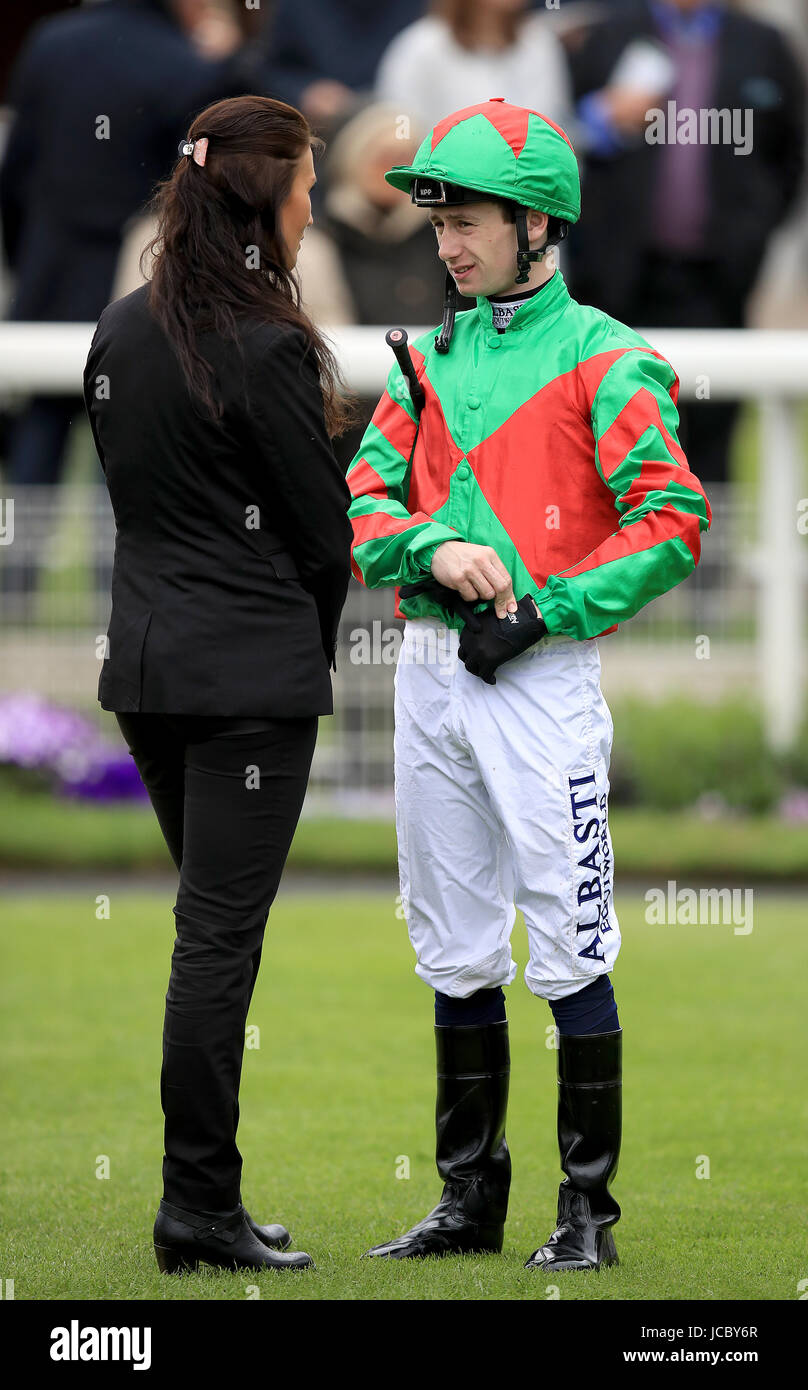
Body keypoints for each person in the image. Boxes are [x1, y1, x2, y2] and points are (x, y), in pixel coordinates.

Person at [346, 97, 711, 1270]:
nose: (445, 240)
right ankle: (468, 1205)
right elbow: (364, 505)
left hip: (541, 679)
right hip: (431, 673)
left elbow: (670, 523)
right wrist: (426, 551)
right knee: (452, 942)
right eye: (436, 216)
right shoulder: (426, 357)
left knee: (567, 940)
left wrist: (545, 609)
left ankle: (586, 1213)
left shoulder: (607, 354)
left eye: (468, 218)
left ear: (538, 223)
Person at [82, 94, 355, 1274]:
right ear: (268, 195)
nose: (310, 207)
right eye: (303, 188)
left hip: (147, 672)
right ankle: (196, 1206)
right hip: (246, 683)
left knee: (209, 939)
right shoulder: (271, 341)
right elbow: (321, 535)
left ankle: (206, 1200)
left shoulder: (121, 329)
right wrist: (307, 640)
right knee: (216, 947)